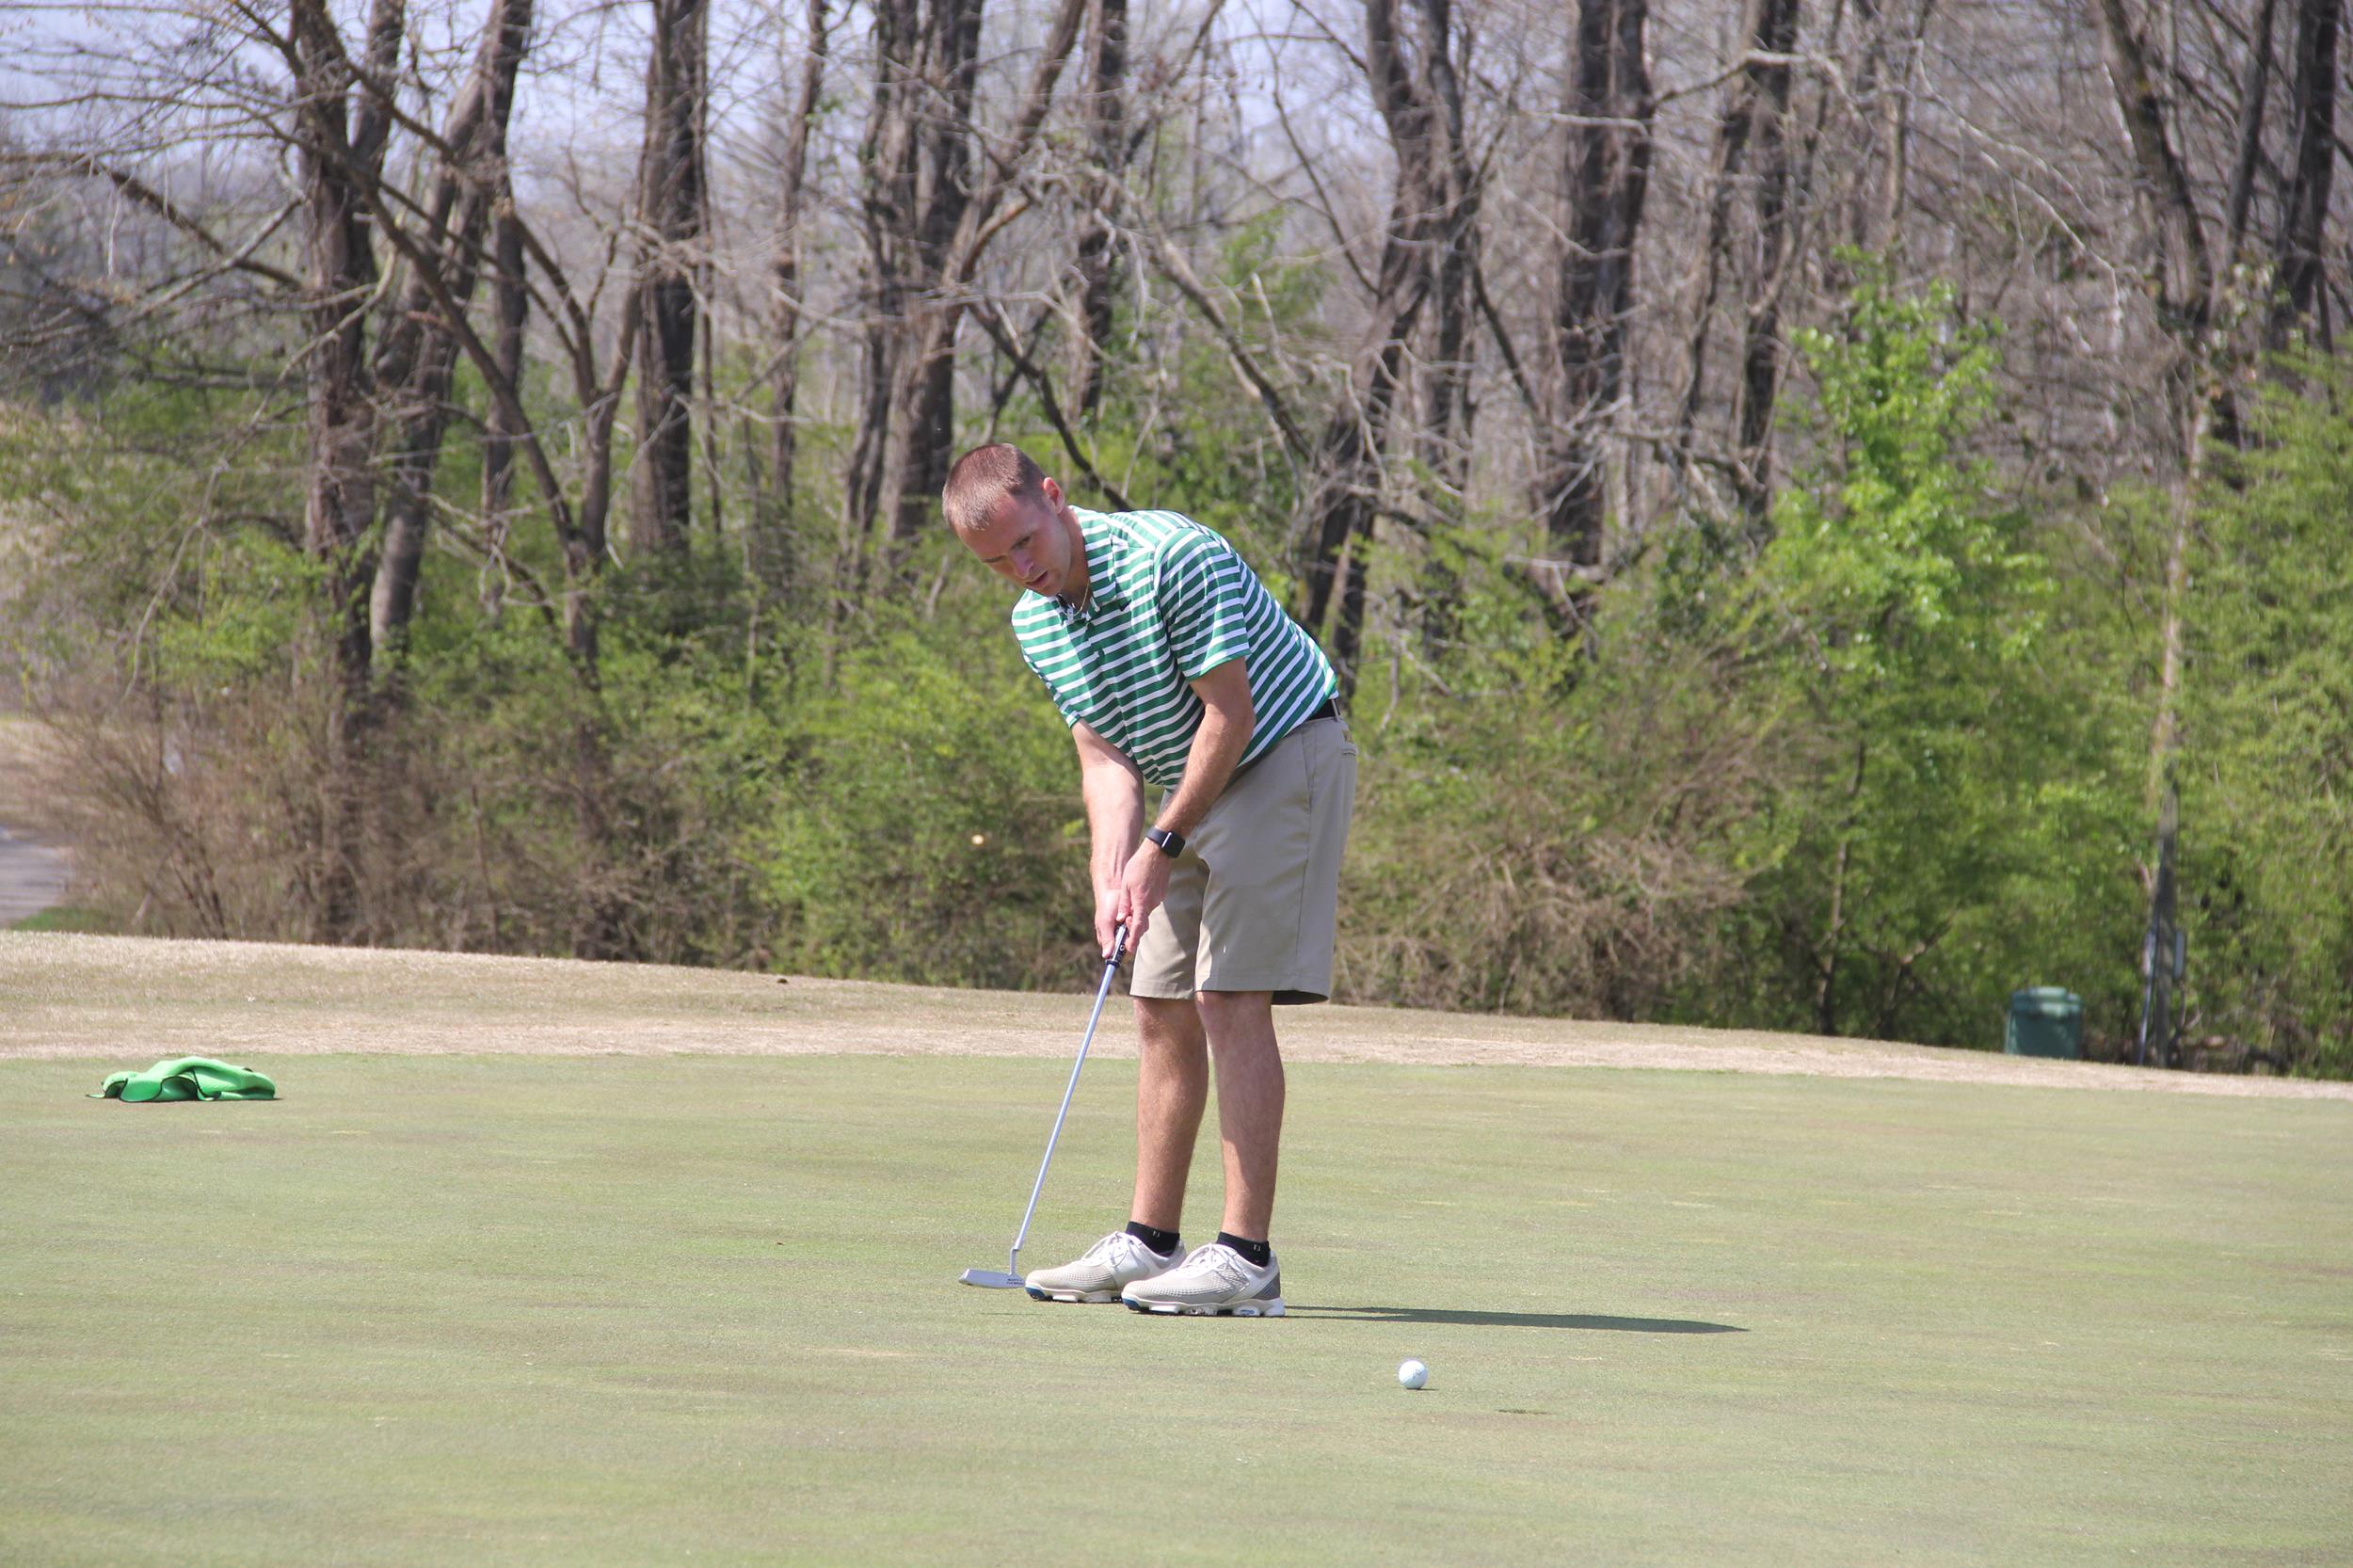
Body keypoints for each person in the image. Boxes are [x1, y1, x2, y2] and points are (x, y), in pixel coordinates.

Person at [943, 443, 1357, 1318]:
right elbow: (1103, 758)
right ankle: (1149, 1243)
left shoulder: (1173, 556)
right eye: (997, 564)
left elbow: (1231, 715)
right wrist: (1112, 877)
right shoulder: (1036, 620)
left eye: (1026, 543)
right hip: (1185, 785)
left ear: (1055, 498)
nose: (1023, 571)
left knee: (1228, 997)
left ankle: (1247, 1260)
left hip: (1280, 754)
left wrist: (1158, 847)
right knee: (1158, 1002)